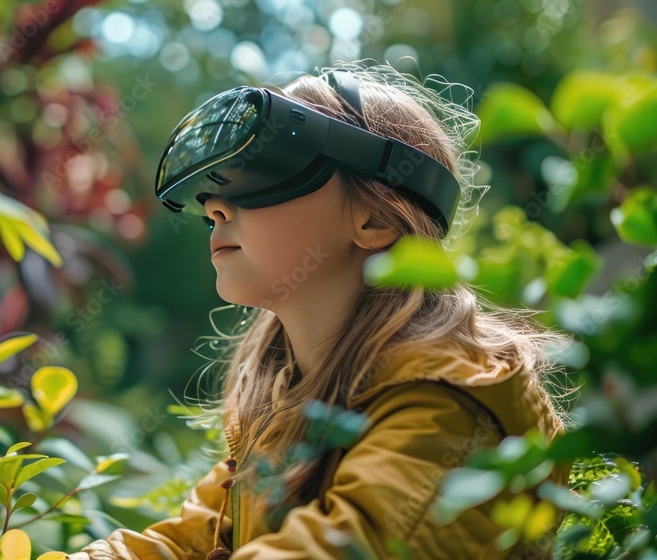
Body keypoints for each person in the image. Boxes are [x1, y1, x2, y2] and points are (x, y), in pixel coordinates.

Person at [65, 60, 573, 560]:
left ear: (375, 217)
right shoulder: (289, 406)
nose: (214, 207)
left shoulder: (453, 404)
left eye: (268, 165)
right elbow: (185, 542)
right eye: (210, 190)